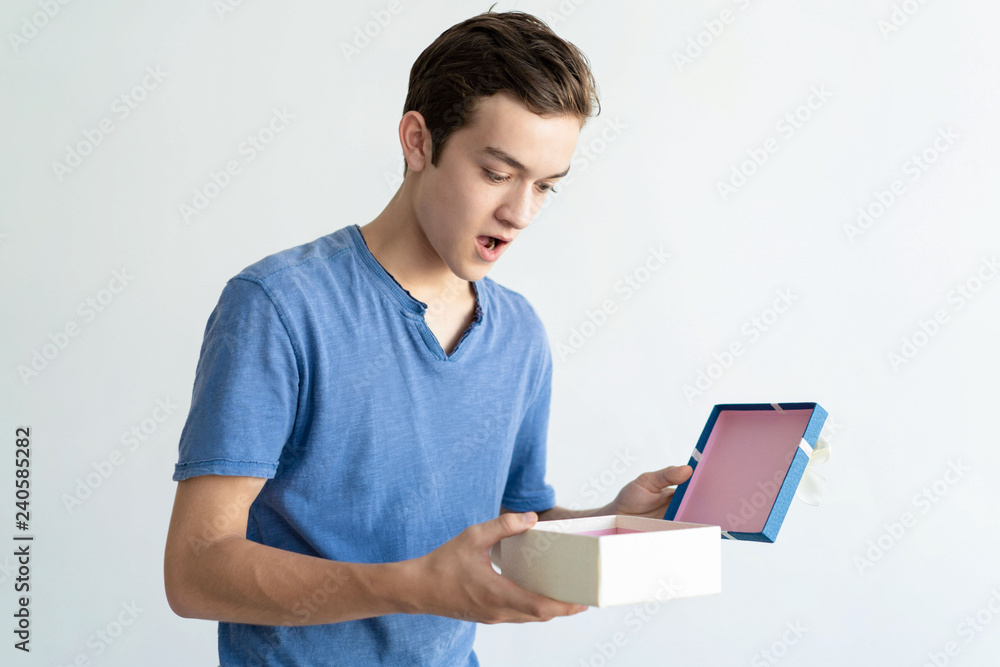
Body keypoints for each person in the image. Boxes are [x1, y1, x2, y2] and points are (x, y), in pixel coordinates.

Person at [163, 9, 692, 666]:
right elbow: (195, 569)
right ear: (418, 141)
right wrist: (411, 585)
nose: (520, 213)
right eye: (497, 173)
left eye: (546, 186)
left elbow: (510, 527)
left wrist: (612, 520)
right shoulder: (278, 307)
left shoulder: (521, 334)